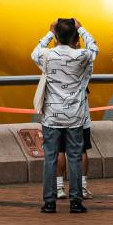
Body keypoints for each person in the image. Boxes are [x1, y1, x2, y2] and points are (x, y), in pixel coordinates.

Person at [33, 17, 97, 214]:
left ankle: (49, 201)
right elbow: (94, 48)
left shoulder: (47, 55)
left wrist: (49, 32)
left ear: (57, 35)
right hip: (75, 115)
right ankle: (76, 201)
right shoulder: (82, 56)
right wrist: (83, 29)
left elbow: (34, 52)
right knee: (75, 158)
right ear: (74, 36)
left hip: (52, 116)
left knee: (50, 159)